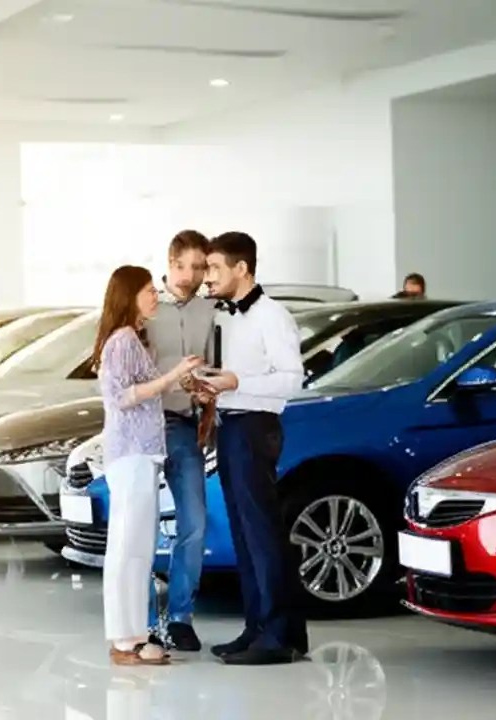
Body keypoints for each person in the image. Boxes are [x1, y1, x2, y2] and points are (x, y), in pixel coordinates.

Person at [198, 232, 309, 666]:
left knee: (262, 534)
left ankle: (279, 635)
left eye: (215, 269)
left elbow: (291, 379)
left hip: (256, 426)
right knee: (245, 534)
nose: (208, 278)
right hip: (229, 425)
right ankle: (258, 627)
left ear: (241, 269)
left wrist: (237, 382)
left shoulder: (273, 316)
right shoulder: (224, 317)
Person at [94, 265, 204, 667]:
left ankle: (134, 636)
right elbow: (125, 397)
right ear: (129, 296)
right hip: (132, 454)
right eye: (147, 291)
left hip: (141, 454)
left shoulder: (129, 340)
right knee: (128, 547)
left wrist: (184, 381)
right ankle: (124, 640)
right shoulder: (123, 340)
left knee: (138, 546)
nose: (155, 295)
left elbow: (146, 389)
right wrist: (172, 375)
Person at [145, 230, 217, 652]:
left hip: (189, 426)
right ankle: (143, 622)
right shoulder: (149, 307)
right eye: (183, 266)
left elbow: (213, 363)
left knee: (194, 523)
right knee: (141, 527)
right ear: (170, 263)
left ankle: (180, 617)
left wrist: (208, 407)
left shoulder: (211, 309)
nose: (190, 276)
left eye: (199, 267)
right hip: (149, 426)